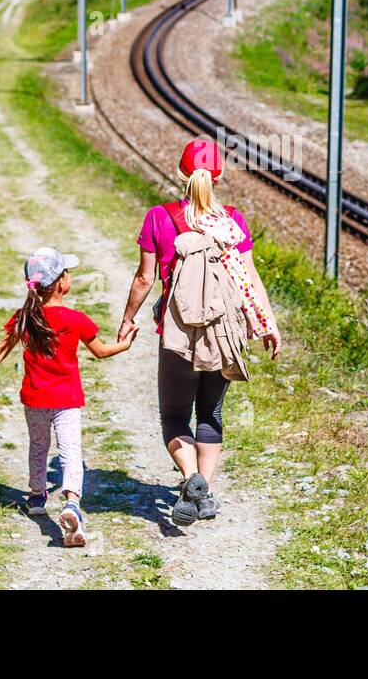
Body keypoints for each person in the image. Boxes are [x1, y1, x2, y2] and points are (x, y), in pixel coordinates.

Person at [118, 139, 281, 527]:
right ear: (219, 177)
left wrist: (128, 318)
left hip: (177, 334)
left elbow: (144, 278)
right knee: (211, 412)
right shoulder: (233, 222)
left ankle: (192, 480)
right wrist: (268, 324)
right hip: (224, 333)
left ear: (180, 174)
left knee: (174, 415)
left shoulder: (159, 217)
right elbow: (249, 278)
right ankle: (204, 492)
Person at [0, 248, 136, 547]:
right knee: (70, 452)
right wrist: (125, 345)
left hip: (35, 400)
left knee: (38, 447)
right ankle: (72, 502)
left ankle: (37, 496)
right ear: (62, 283)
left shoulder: (25, 317)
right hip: (67, 402)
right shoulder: (75, 319)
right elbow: (101, 351)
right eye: (67, 272)